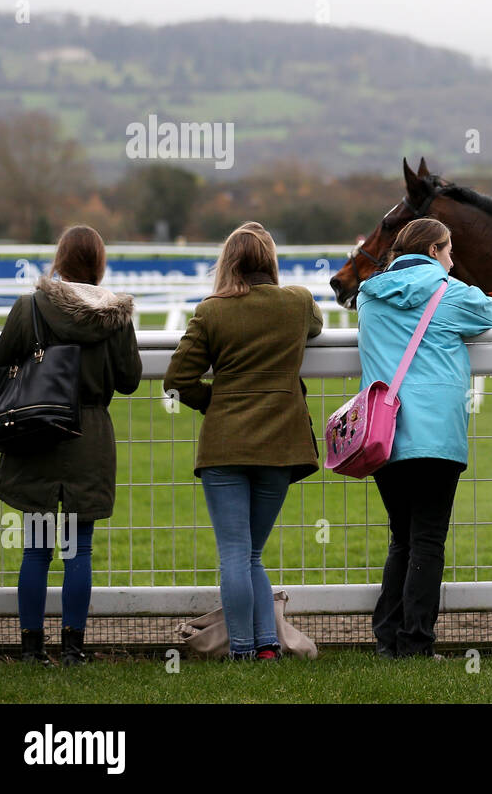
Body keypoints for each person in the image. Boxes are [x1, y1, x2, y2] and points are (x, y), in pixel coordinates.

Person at [164, 222, 323, 660]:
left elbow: (178, 379)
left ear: (228, 262)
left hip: (225, 444)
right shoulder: (298, 302)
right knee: (251, 553)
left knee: (235, 553)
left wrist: (214, 399)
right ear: (270, 261)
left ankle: (244, 649)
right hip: (280, 445)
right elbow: (315, 327)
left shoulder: (211, 310)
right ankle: (267, 646)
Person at [0, 226, 141, 665]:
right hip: (89, 436)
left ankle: (31, 649)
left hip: (36, 433)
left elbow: (1, 365)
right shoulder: (114, 314)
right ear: (99, 263)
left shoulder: (30, 308)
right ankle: (74, 649)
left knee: (35, 548)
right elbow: (130, 379)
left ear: (60, 259)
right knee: (79, 547)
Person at [356, 218, 492, 659]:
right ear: (436, 250)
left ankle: (388, 637)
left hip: (382, 434)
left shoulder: (369, 294)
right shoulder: (449, 290)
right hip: (436, 435)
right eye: (450, 250)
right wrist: (449, 278)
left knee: (401, 537)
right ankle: (416, 641)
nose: (453, 258)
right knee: (427, 540)